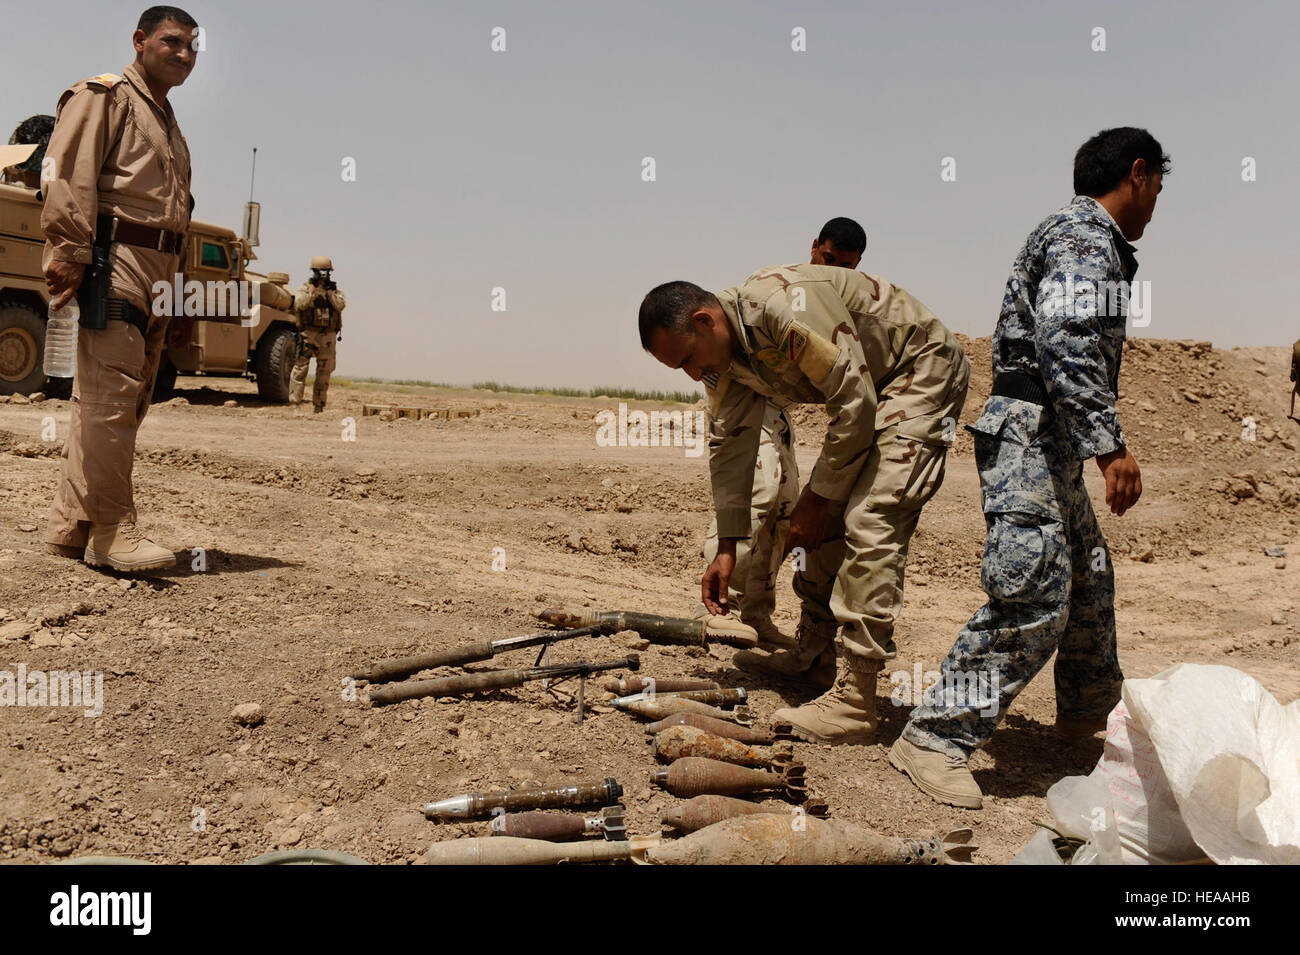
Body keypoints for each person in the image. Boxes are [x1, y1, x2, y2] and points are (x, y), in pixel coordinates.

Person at [890, 128, 1166, 810]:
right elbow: (1066, 339)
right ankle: (934, 735)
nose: (1159, 198)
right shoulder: (1085, 237)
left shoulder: (1085, 237)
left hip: (1050, 436)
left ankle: (1086, 719)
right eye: (1158, 182)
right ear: (1137, 174)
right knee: (1034, 587)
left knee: (1088, 574)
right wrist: (1109, 444)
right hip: (1033, 430)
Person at [640, 264, 969, 744]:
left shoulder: (780, 312)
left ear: (707, 320)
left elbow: (854, 402)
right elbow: (730, 445)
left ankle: (857, 703)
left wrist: (817, 498)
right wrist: (728, 545)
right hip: (871, 392)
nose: (695, 374)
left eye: (689, 358)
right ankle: (814, 657)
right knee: (818, 521)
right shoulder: (723, 361)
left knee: (870, 518)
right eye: (681, 369)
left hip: (918, 372)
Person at [41, 5, 198, 572]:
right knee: (109, 399)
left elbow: (175, 216)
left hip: (158, 270)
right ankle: (111, 531)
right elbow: (65, 174)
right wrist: (68, 253)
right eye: (172, 42)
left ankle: (71, 525)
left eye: (192, 46)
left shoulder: (167, 121)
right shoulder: (103, 96)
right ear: (140, 41)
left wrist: (178, 297)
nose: (185, 55)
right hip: (115, 260)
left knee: (120, 402)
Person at [697, 217, 867, 656]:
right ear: (814, 248)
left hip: (780, 411)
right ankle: (722, 611)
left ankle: (757, 616)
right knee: (760, 488)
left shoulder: (834, 298)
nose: (835, 269)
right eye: (828, 259)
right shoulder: (780, 290)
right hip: (748, 400)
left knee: (786, 504)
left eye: (846, 265)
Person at [290, 256, 345, 412]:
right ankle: (296, 405)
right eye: (319, 272)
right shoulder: (304, 289)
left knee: (324, 372)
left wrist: (330, 295)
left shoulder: (335, 291)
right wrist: (311, 293)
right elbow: (299, 304)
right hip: (308, 334)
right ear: (313, 272)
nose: (322, 275)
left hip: (328, 336)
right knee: (300, 369)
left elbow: (340, 306)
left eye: (325, 272)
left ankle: (319, 406)